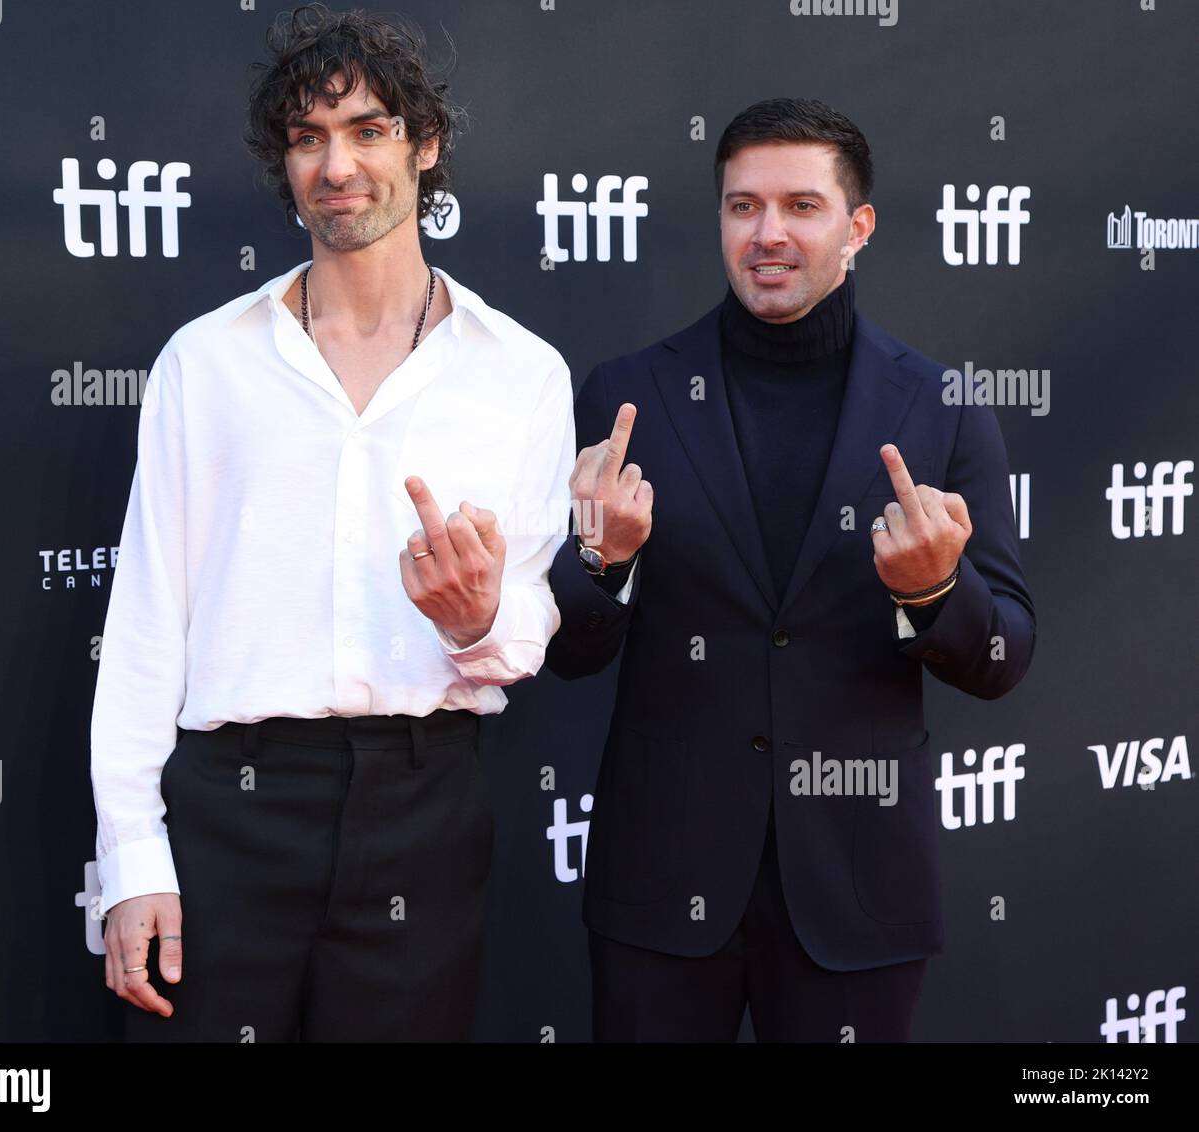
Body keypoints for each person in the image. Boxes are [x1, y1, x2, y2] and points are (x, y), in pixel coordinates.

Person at [90, 5, 574, 1042]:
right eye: (308, 138)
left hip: (425, 805)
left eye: (367, 129)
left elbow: (528, 618)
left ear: (424, 145)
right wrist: (131, 858)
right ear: (284, 164)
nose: (336, 163)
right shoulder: (206, 362)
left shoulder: (521, 373)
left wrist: (476, 616)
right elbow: (143, 625)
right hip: (231, 807)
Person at [545, 97, 1035, 1042]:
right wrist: (602, 564)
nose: (768, 234)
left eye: (801, 206)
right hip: (661, 886)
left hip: (859, 891)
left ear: (858, 227)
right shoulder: (626, 395)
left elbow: (1005, 658)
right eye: (742, 207)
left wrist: (936, 592)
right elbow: (565, 653)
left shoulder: (944, 408)